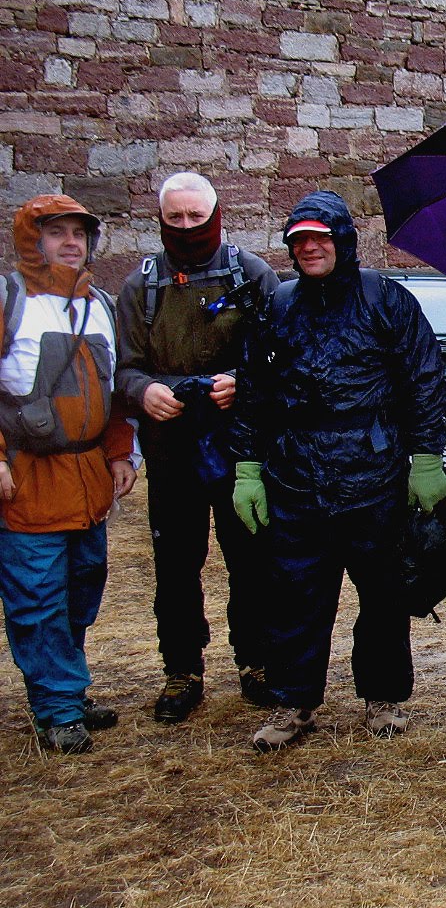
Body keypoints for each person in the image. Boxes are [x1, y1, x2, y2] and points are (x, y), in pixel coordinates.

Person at [231, 190, 446, 751]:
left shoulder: (387, 301)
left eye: (320, 239)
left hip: (373, 470)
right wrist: (248, 468)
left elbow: (425, 380)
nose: (310, 249)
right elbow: (254, 393)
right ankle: (293, 702)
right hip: (296, 474)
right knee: (295, 594)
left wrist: (425, 459)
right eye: (299, 241)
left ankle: (384, 698)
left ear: (342, 241)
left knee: (382, 594)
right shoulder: (277, 307)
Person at [114, 172, 279, 722]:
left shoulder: (251, 274)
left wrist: (243, 381)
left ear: (217, 216)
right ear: (162, 220)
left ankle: (257, 662)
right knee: (176, 566)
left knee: (252, 562)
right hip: (171, 447)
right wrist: (146, 392)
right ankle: (181, 670)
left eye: (195, 216)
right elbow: (124, 368)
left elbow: (280, 358)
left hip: (241, 447)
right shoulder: (141, 286)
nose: (186, 226)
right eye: (175, 217)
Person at [0, 196, 138, 753]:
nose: (70, 243)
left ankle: (67, 692)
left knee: (82, 590)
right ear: (32, 238)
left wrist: (120, 453)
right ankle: (56, 706)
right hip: (29, 477)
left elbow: (112, 392)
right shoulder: (10, 300)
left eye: (78, 233)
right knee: (38, 596)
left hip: (87, 479)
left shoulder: (99, 305)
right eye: (56, 232)